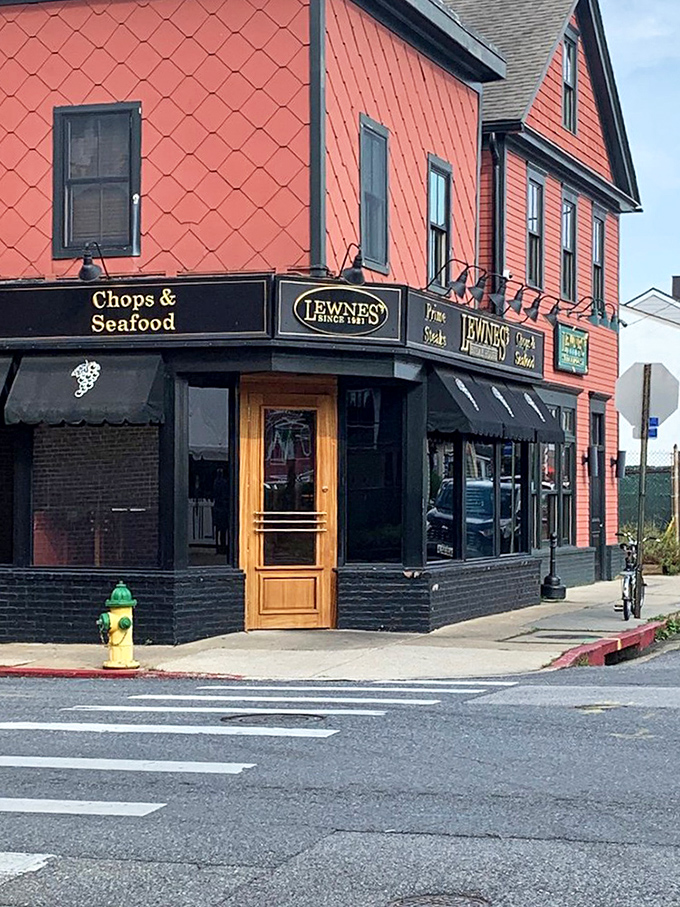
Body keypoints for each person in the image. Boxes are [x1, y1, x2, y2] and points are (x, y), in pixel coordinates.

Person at [212, 468, 229, 555]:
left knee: (219, 530)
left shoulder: (215, 482)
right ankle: (222, 547)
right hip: (222, 509)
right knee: (223, 531)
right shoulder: (223, 482)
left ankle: (219, 548)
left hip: (218, 508)